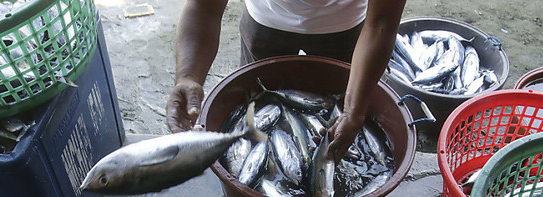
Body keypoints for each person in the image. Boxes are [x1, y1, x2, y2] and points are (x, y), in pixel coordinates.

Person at [165, 0, 407, 161]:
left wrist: (354, 111)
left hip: (351, 34)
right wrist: (188, 76)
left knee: (337, 126)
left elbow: (382, 22)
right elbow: (204, 7)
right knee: (255, 116)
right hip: (265, 24)